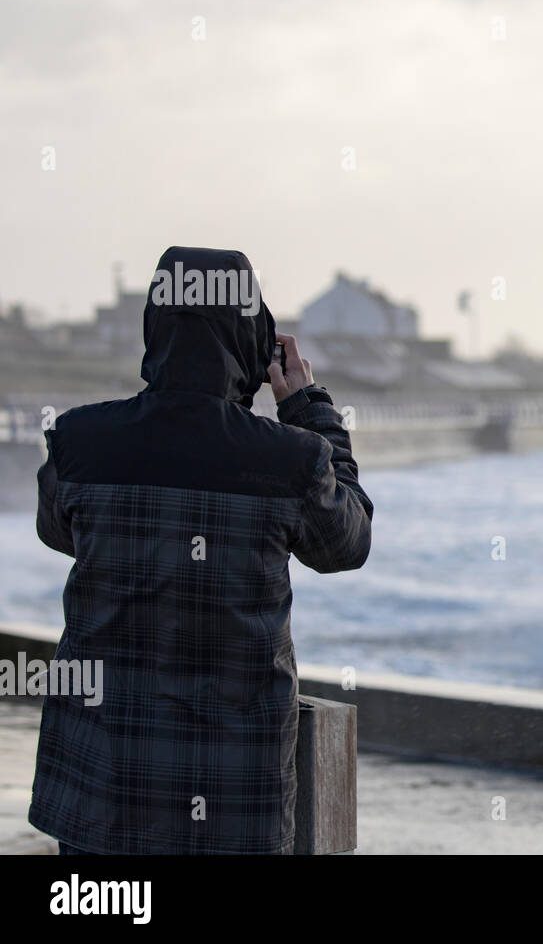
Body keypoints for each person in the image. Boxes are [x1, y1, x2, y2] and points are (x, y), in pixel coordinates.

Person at [30, 246, 373, 854]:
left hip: (97, 783)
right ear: (250, 336)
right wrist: (307, 407)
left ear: (155, 327)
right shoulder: (291, 457)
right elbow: (346, 544)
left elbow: (60, 532)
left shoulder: (80, 440)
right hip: (234, 795)